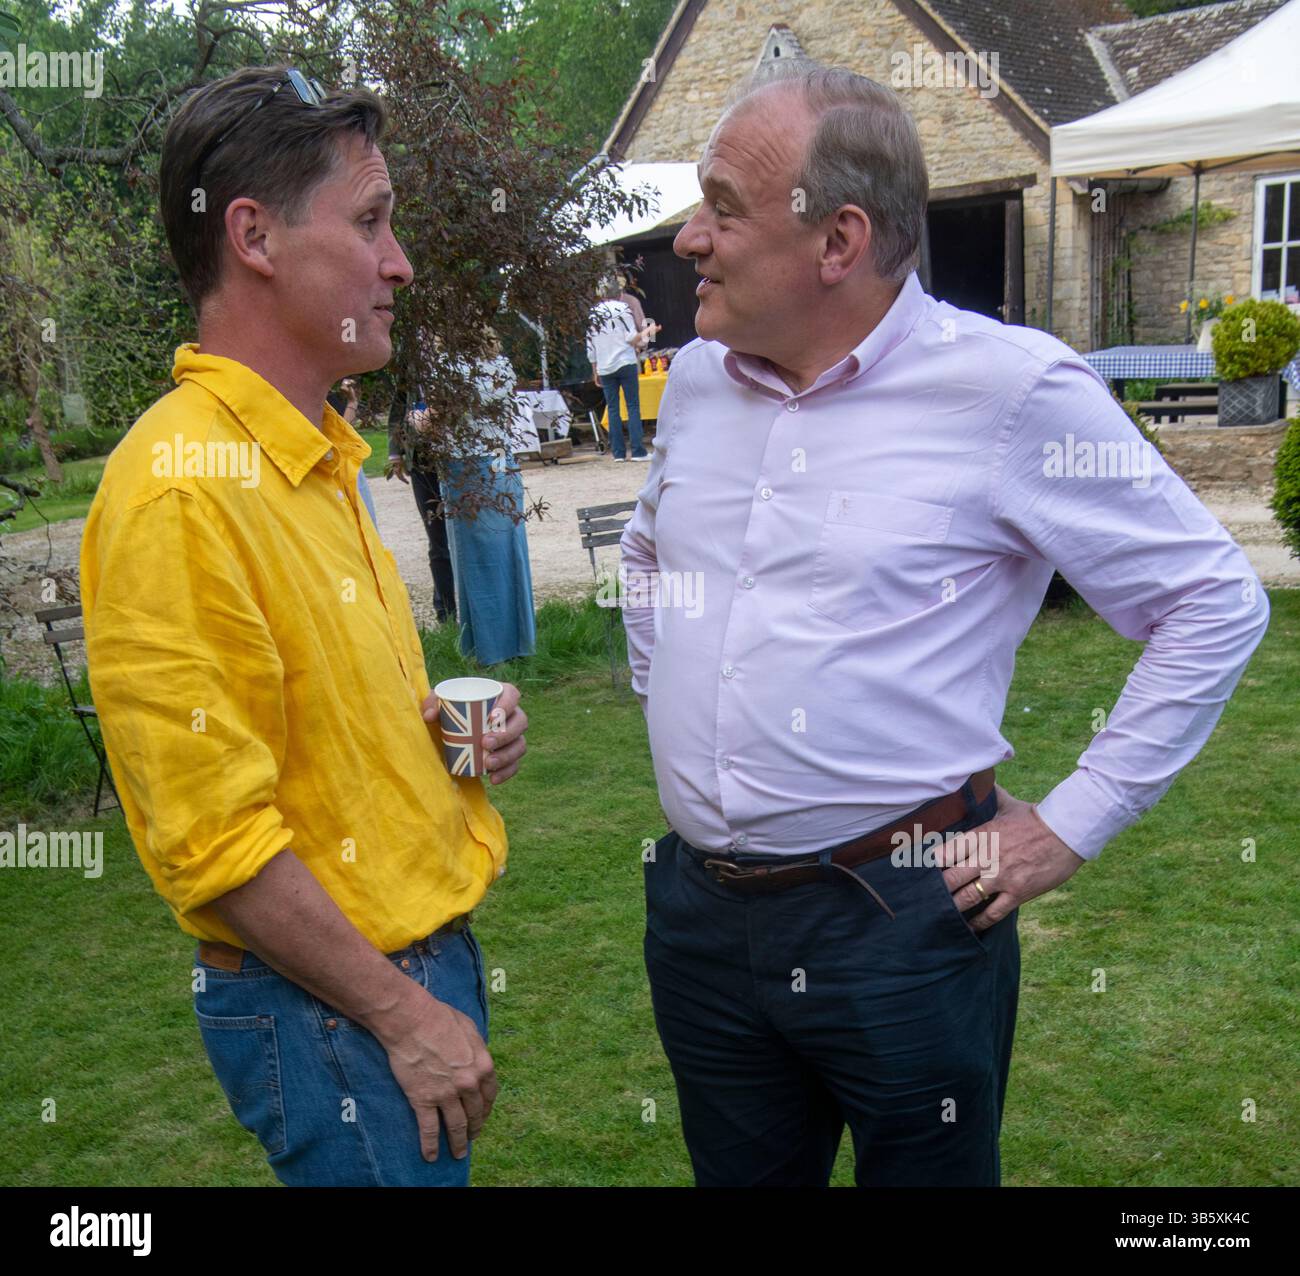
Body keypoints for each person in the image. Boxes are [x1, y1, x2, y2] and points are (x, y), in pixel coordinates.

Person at [620, 62, 1270, 1188]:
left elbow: (1212, 600)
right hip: (700, 917)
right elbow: (644, 551)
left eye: (722, 208)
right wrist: (691, 712)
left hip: (904, 921)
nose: (687, 239)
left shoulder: (1012, 392)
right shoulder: (702, 383)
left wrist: (1071, 822)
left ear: (839, 241)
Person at [79, 65, 529, 1187]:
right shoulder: (180, 489)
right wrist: (401, 1015)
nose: (399, 262)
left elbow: (306, 739)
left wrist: (433, 741)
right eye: (371, 221)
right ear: (254, 237)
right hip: (337, 1008)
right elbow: (212, 843)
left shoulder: (311, 453)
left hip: (391, 979)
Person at [439, 328, 537, 666]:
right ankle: (506, 643)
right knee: (499, 553)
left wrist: (422, 419)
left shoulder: (451, 369)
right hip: (496, 463)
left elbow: (451, 412)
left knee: (481, 557)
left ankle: (490, 648)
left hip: (471, 466)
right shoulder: (500, 366)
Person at [386, 379, 457, 625]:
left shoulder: (457, 357)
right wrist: (395, 451)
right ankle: (446, 612)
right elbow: (399, 403)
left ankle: (472, 606)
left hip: (458, 456)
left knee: (465, 534)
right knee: (437, 537)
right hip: (422, 460)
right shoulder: (412, 354)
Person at [587, 276, 658, 461]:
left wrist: (594, 369)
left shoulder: (593, 314)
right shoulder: (623, 308)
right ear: (619, 294)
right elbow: (632, 338)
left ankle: (618, 453)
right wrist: (649, 332)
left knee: (612, 408)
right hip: (625, 362)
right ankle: (638, 451)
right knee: (633, 406)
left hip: (604, 366)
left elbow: (590, 345)